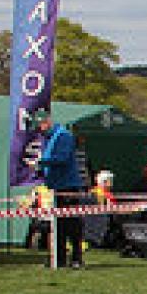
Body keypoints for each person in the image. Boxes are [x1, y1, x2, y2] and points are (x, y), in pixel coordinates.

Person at [33, 110, 87, 269]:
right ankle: (59, 258)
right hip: (56, 186)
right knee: (58, 224)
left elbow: (62, 158)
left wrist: (42, 162)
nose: (39, 130)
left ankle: (76, 257)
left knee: (72, 224)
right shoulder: (48, 139)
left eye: (39, 126)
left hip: (68, 187)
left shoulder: (63, 136)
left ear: (46, 122)